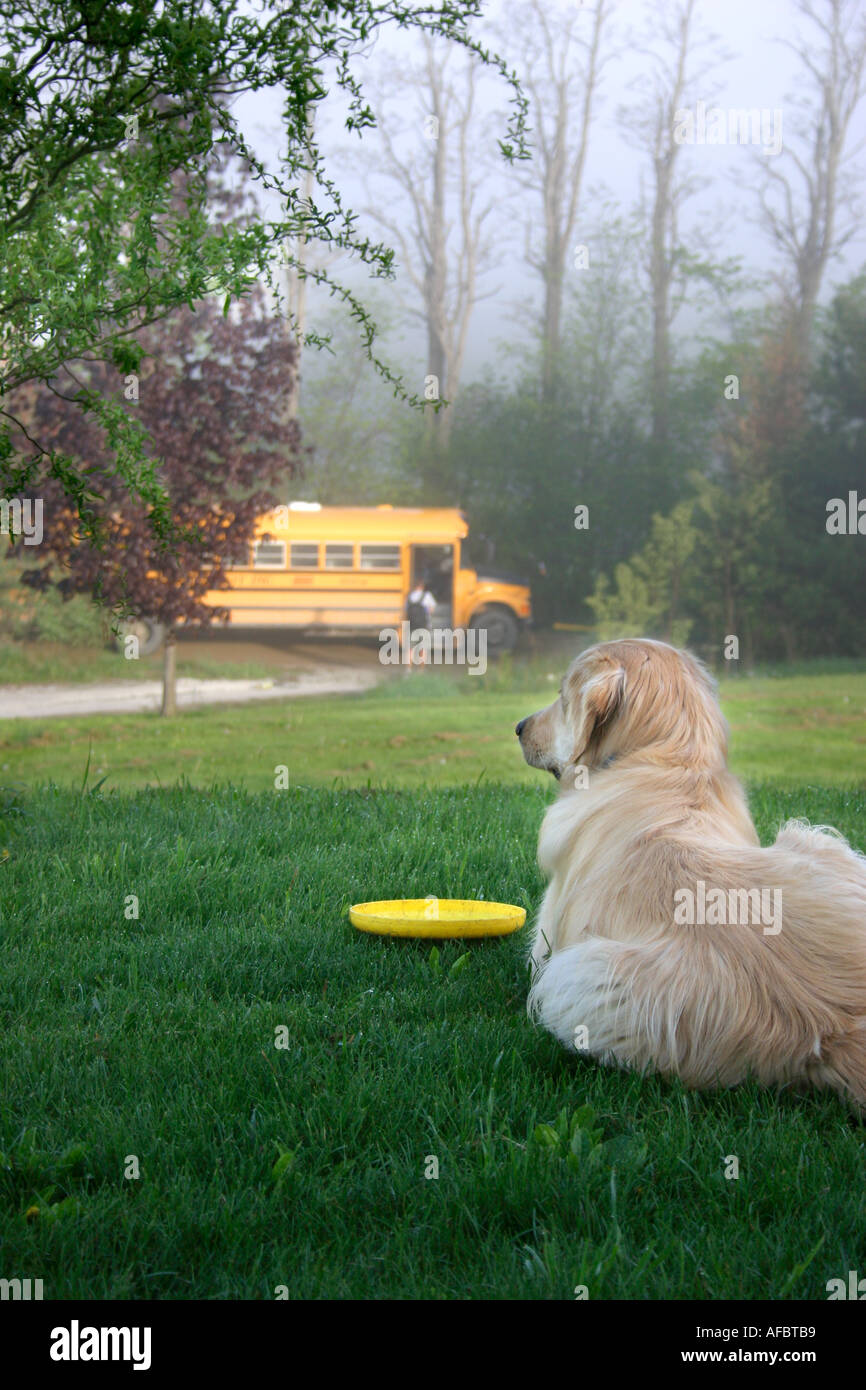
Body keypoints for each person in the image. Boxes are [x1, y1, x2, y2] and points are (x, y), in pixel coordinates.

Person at [405, 575, 436, 669]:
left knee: (410, 649)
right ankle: (421, 670)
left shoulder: (409, 596)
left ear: (414, 586)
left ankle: (408, 670)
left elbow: (406, 610)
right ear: (422, 586)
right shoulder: (427, 596)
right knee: (422, 648)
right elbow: (431, 609)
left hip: (412, 625)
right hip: (423, 625)